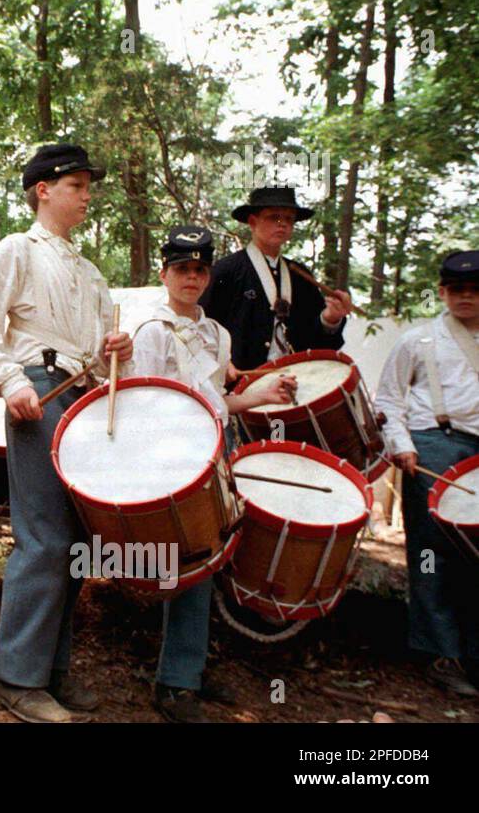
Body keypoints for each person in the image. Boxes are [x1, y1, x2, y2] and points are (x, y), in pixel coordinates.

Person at [0, 143, 132, 723]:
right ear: (44, 190)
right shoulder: (16, 250)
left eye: (88, 187)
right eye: (78, 186)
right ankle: (13, 677)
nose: (87, 196)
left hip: (82, 401)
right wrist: (10, 382)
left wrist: (118, 353)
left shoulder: (89, 273)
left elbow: (111, 362)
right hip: (40, 390)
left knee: (75, 541)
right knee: (43, 536)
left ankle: (50, 672)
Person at [131, 225, 297, 722]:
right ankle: (175, 682)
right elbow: (144, 401)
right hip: (170, 452)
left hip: (214, 446)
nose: (192, 277)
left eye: (200, 269)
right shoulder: (151, 332)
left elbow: (216, 401)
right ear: (164, 274)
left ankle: (191, 666)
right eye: (182, 269)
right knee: (187, 557)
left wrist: (259, 397)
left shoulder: (216, 334)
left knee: (215, 555)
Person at [375, 249, 479, 698]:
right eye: (457, 290)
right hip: (434, 445)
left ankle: (473, 652)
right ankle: (439, 652)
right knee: (432, 554)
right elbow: (389, 401)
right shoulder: (418, 340)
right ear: (442, 292)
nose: (466, 298)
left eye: (475, 291)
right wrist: (403, 447)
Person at [201, 186, 353, 373]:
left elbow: (316, 343)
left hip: (296, 381)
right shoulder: (226, 271)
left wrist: (330, 319)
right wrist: (222, 363)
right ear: (252, 221)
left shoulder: (301, 276)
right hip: (241, 386)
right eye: (274, 217)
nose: (282, 224)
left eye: (289, 218)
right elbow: (202, 327)